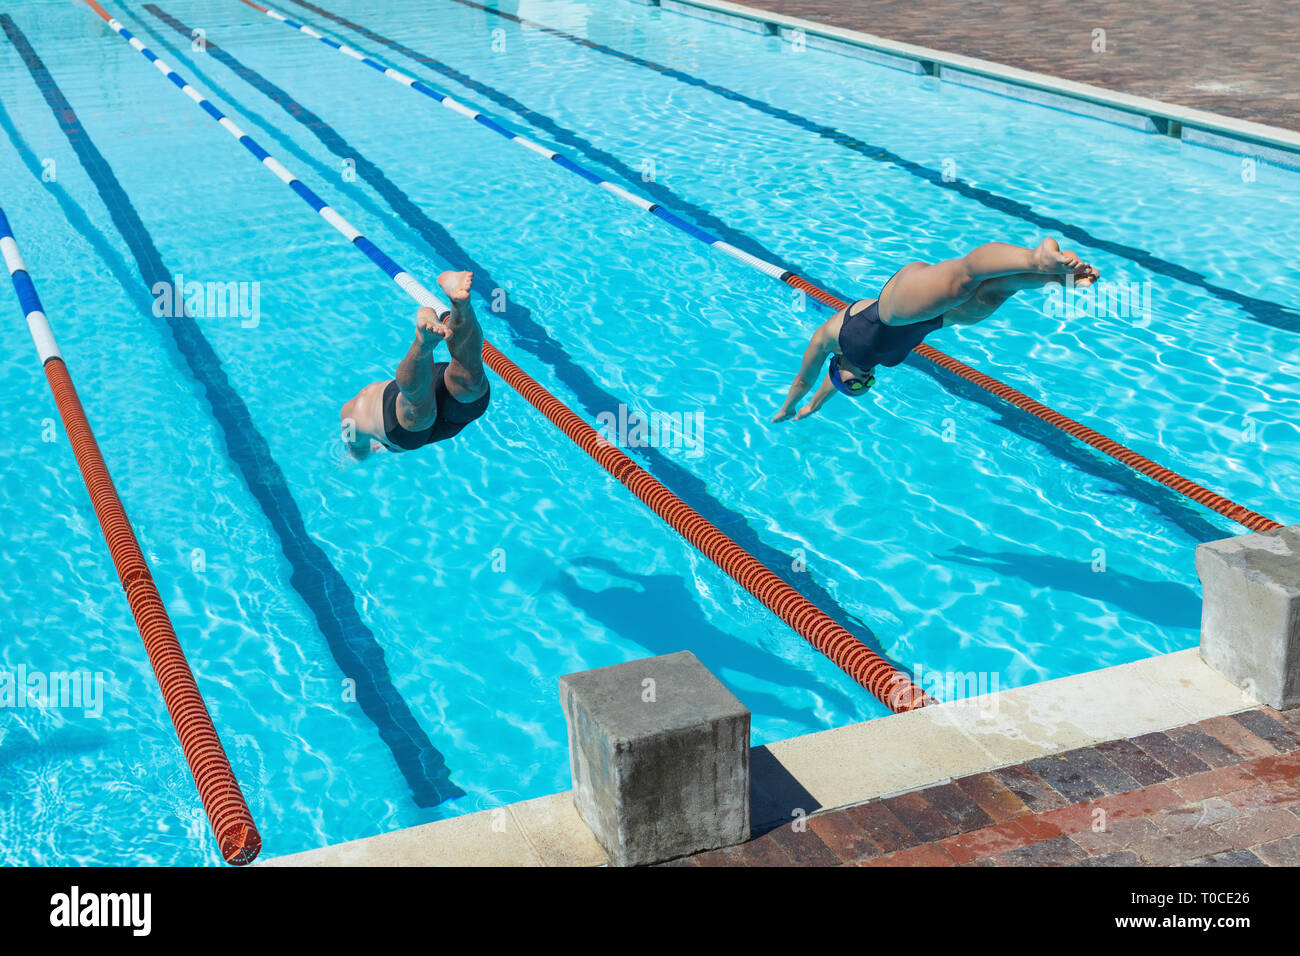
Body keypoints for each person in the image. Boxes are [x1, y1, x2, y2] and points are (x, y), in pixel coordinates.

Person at [772, 238, 1099, 422]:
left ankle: (1037, 258)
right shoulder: (857, 367)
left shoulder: (830, 340)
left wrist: (789, 406)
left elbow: (806, 379)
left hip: (894, 308)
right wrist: (814, 408)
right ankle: (1058, 274)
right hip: (939, 320)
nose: (865, 378)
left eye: (855, 382)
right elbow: (836, 386)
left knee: (964, 279)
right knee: (991, 294)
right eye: (867, 384)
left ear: (836, 367)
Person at [341, 270, 489, 458]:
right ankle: (459, 303)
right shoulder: (351, 415)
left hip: (399, 429)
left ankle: (423, 342)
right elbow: (351, 436)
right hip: (404, 418)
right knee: (469, 380)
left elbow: (357, 450)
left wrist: (356, 457)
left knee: (417, 411)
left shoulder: (351, 419)